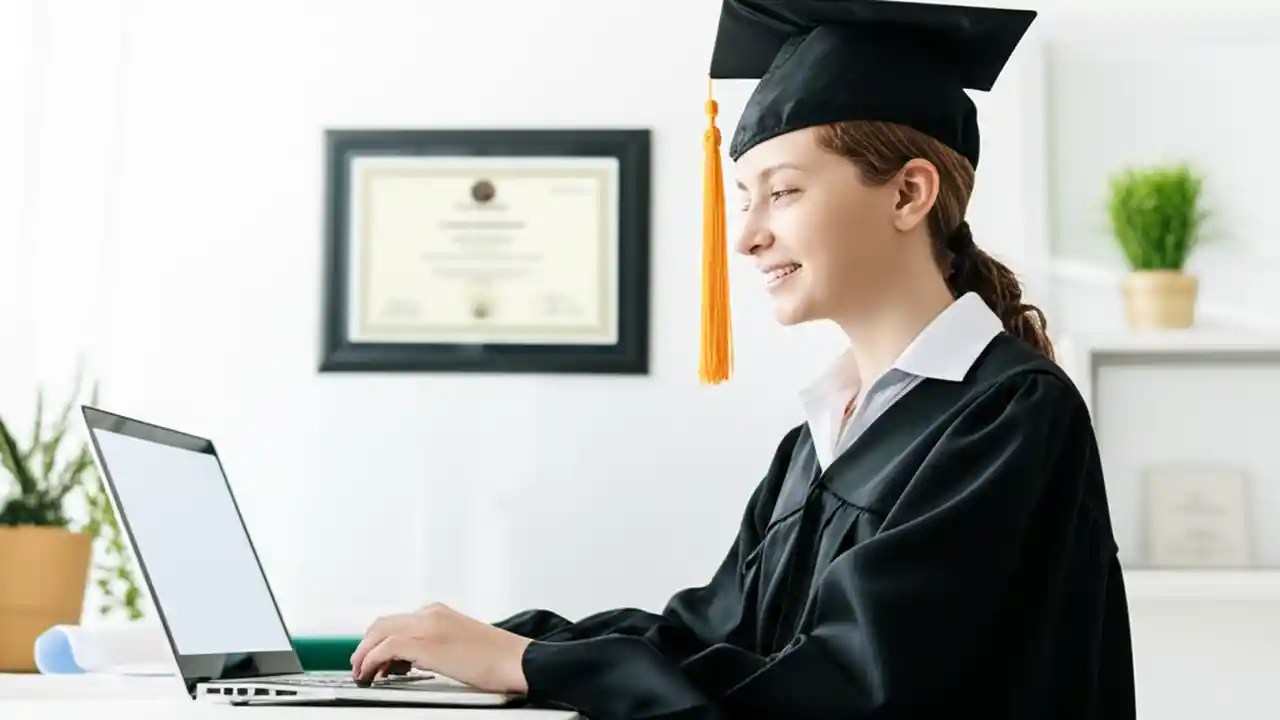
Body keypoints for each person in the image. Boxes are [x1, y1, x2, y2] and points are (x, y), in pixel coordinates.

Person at [348, 1, 1138, 718]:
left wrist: (533, 663)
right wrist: (500, 645)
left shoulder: (1008, 414)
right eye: (743, 196)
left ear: (907, 195)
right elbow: (703, 643)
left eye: (783, 192)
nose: (747, 235)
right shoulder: (818, 440)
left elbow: (848, 693)